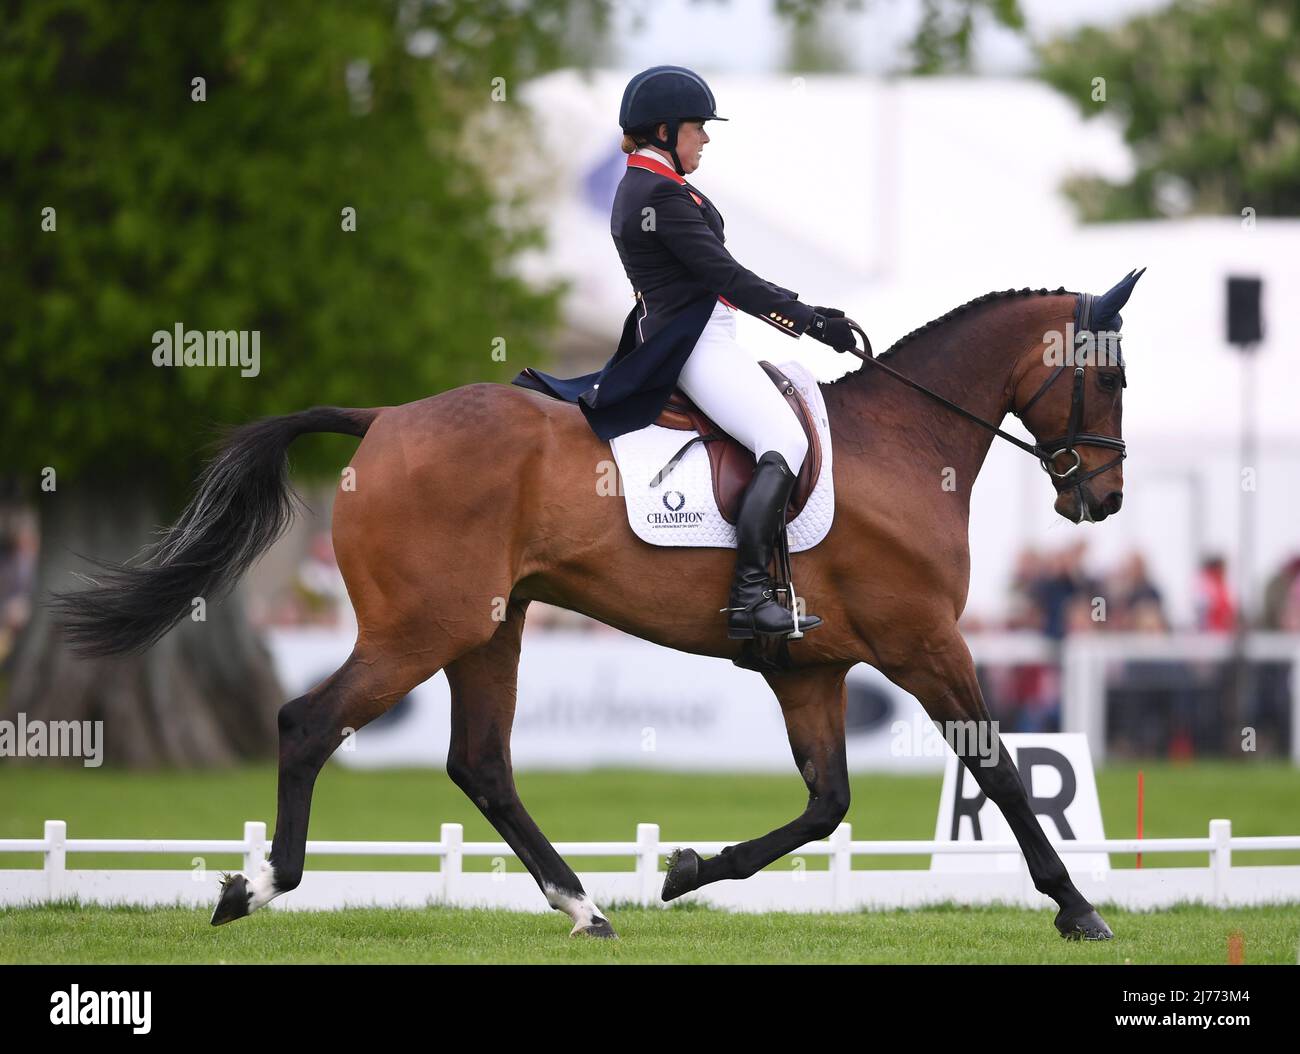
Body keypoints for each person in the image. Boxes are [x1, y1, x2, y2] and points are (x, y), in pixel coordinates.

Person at [514, 66, 860, 638]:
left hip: (706, 334)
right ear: (665, 129)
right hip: (694, 344)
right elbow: (726, 275)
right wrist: (808, 318)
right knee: (786, 441)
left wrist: (805, 315)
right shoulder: (656, 193)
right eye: (698, 127)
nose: (705, 138)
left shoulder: (658, 187)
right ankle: (749, 597)